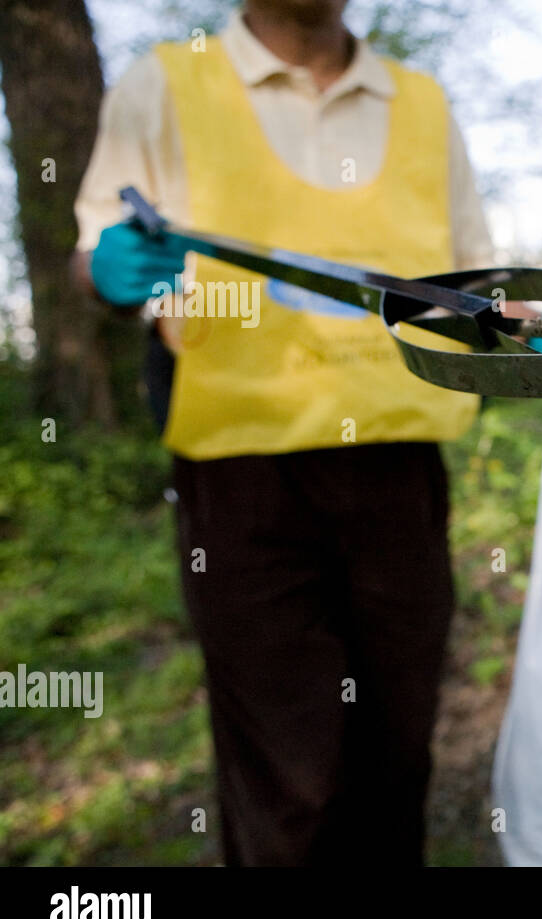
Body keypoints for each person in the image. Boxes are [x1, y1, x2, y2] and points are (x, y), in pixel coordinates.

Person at [72, 0, 494, 865]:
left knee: (396, 753)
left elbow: (475, 294)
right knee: (289, 782)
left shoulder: (420, 103)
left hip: (399, 473)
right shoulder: (165, 84)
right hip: (243, 482)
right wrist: (108, 269)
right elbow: (90, 250)